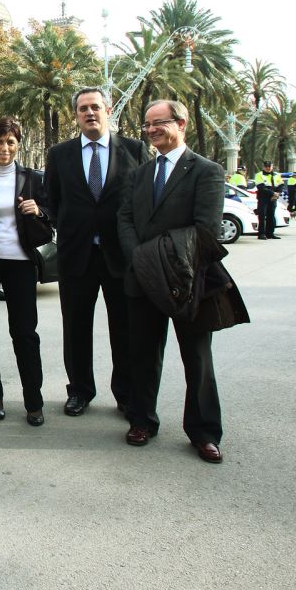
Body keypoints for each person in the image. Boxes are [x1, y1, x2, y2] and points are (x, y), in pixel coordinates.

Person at [119, 99, 227, 464]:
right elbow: (125, 219)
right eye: (146, 125)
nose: (150, 130)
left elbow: (207, 230)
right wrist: (140, 257)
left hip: (188, 280)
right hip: (143, 280)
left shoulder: (206, 171)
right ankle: (142, 420)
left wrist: (160, 258)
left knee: (196, 358)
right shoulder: (139, 174)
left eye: (158, 123)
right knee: (143, 355)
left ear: (181, 123)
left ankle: (204, 432)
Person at [45, 87, 151, 418]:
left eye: (95, 107)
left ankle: (125, 393)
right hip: (76, 257)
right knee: (75, 329)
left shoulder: (135, 150)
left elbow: (143, 202)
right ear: (75, 115)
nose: (89, 113)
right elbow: (53, 200)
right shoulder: (59, 154)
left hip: (121, 257)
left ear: (108, 109)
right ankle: (79, 390)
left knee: (125, 328)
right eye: (82, 109)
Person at [0, 117, 50, 427]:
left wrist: (38, 211)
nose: (5, 147)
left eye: (10, 142)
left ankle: (34, 400)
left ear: (19, 144)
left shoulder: (32, 178)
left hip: (20, 263)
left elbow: (51, 215)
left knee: (25, 333)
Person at [254, 160, 282, 239]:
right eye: (266, 166)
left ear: (272, 167)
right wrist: (273, 193)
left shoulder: (277, 175)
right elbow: (261, 187)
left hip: (273, 197)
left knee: (271, 215)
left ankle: (270, 233)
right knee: (262, 215)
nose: (268, 168)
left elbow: (281, 185)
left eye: (270, 166)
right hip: (263, 197)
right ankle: (261, 233)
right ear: (263, 167)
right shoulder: (259, 175)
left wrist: (277, 193)